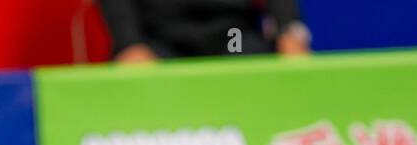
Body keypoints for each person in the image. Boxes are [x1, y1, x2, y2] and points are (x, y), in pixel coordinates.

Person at [99, 0, 312, 63]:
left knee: (246, 54)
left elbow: (285, 13)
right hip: (163, 37)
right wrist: (129, 43)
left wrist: (290, 30)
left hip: (231, 35)